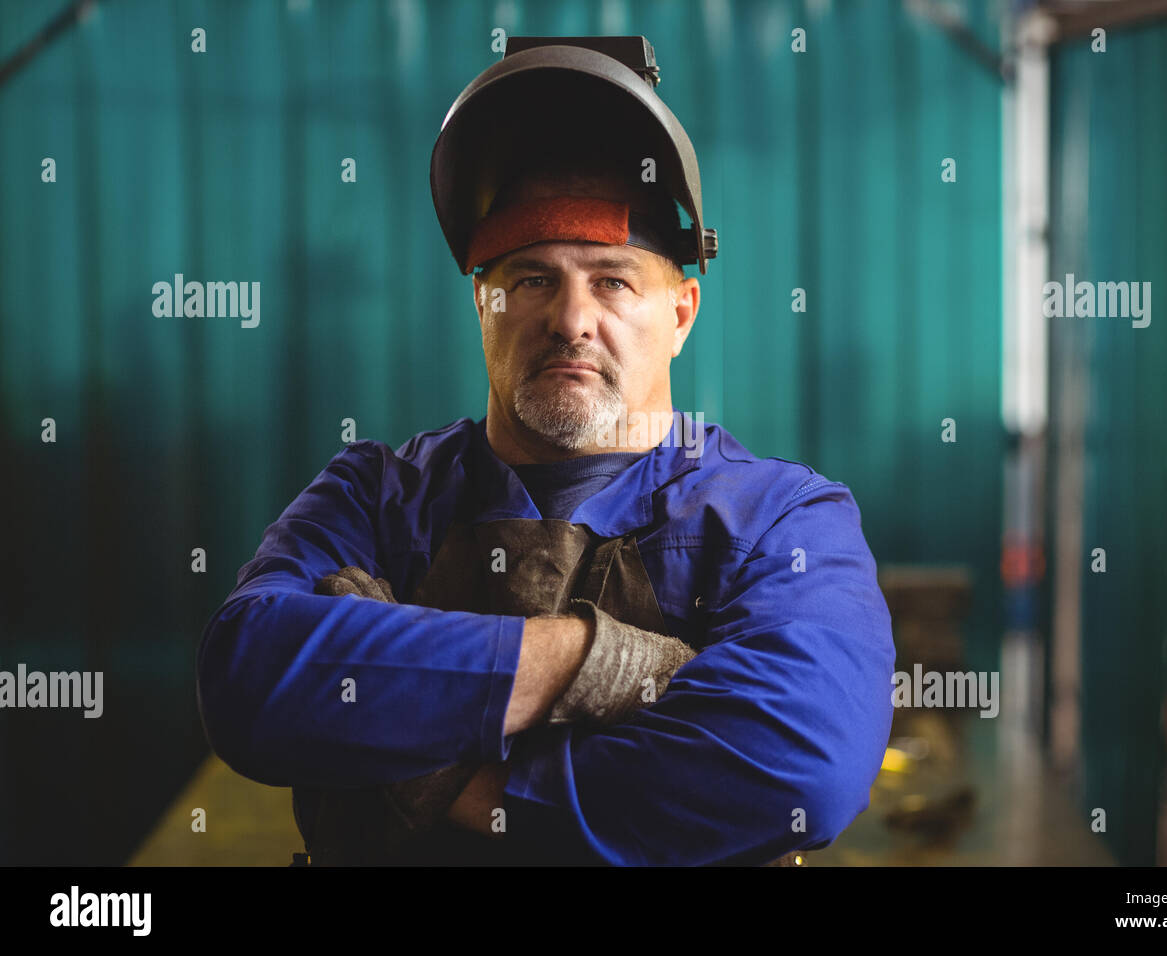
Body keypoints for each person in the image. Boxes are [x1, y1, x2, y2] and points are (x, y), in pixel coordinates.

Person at [196, 35, 895, 867]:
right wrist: (600, 660)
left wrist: (455, 783)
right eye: (530, 278)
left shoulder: (780, 519)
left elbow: (799, 767)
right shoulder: (375, 498)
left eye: (612, 279)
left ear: (681, 314)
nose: (570, 318)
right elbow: (249, 680)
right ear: (483, 304)